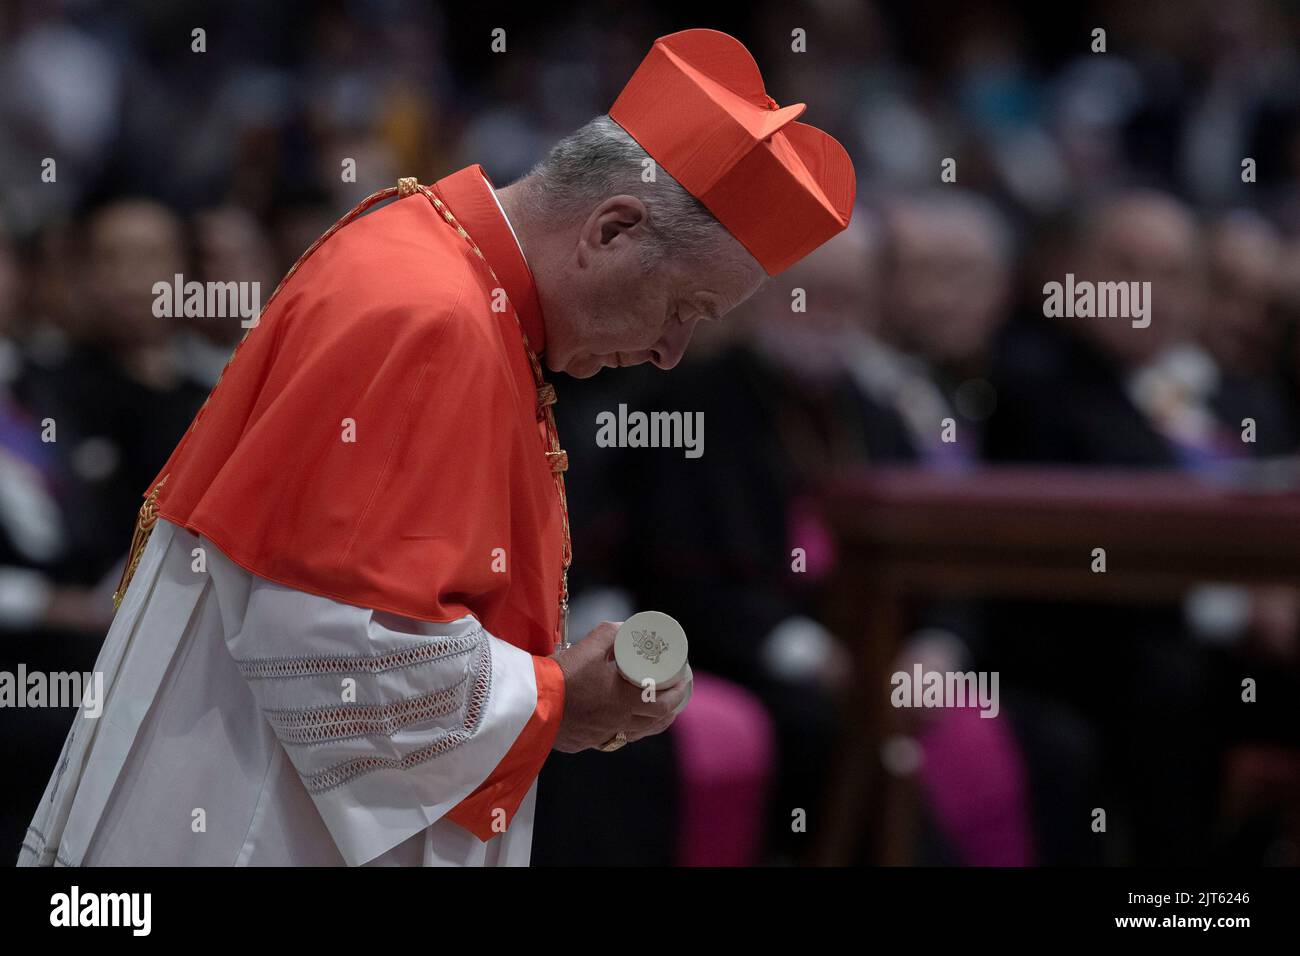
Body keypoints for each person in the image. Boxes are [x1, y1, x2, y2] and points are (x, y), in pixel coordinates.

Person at [19, 28, 855, 867]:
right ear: (613, 230)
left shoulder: (455, 278)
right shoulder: (427, 312)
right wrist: (555, 701)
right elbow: (323, 639)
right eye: (685, 307)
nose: (672, 351)